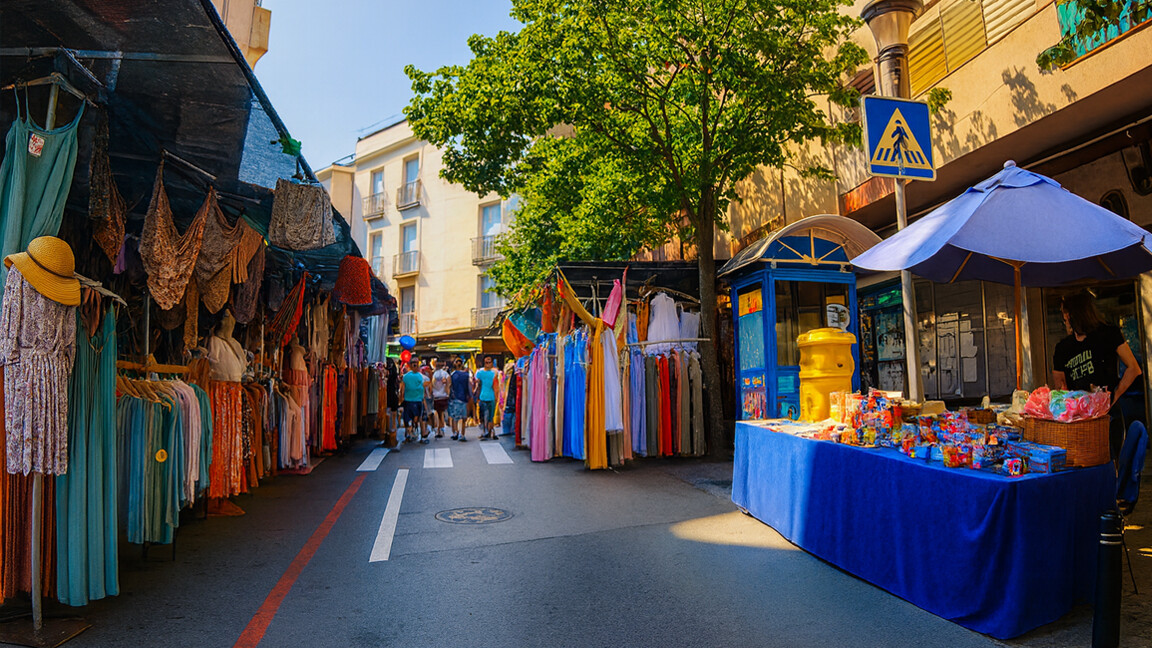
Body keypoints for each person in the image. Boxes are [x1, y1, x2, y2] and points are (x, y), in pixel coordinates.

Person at [1052, 290, 1143, 459]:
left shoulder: (1109, 333)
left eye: (1065, 313)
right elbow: (1060, 386)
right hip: (1079, 419)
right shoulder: (1063, 347)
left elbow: (1133, 368)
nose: (1064, 318)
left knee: (1109, 461)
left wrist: (1114, 396)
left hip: (1107, 415)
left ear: (1074, 313)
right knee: (1084, 463)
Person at [401, 358, 430, 443]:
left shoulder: (420, 376)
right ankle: (412, 434)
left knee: (415, 418)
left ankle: (414, 434)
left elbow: (402, 389)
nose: (415, 365)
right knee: (413, 418)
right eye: (414, 363)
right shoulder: (408, 377)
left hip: (416, 401)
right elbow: (402, 389)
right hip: (411, 400)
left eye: (416, 363)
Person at [474, 355, 499, 440]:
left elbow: (496, 386)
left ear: (492, 363)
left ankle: (490, 431)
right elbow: (477, 384)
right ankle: (485, 431)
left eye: (489, 362)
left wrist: (496, 397)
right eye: (486, 362)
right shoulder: (480, 373)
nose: (487, 364)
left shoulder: (494, 373)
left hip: (491, 397)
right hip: (482, 397)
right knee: (482, 416)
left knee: (490, 417)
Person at [448, 357, 473, 441]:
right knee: (463, 418)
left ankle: (455, 433)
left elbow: (449, 386)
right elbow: (469, 386)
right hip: (464, 398)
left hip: (455, 398)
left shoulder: (452, 374)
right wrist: (471, 396)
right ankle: (462, 434)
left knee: (455, 417)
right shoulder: (466, 375)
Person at [431, 357, 451, 437]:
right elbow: (448, 385)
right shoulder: (446, 374)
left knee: (438, 413)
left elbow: (432, 385)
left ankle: (440, 429)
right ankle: (441, 428)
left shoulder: (434, 374)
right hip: (444, 396)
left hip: (436, 396)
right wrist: (447, 393)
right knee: (442, 413)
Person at [501, 361, 517, 437]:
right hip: (512, 398)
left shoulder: (506, 378)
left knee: (509, 413)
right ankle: (510, 430)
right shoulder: (506, 378)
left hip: (510, 399)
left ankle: (507, 431)